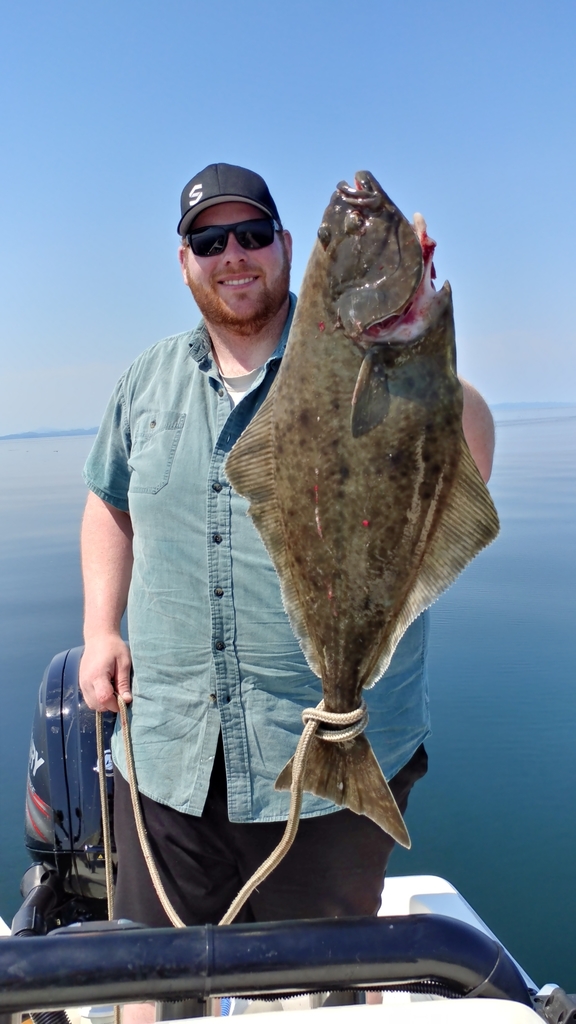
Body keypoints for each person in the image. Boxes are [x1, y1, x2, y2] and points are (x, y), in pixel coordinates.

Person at [79, 163, 495, 1019]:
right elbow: (108, 501)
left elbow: (470, 455)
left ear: (289, 250)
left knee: (323, 989)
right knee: (148, 981)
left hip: (327, 759)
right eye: (209, 240)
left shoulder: (365, 360)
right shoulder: (147, 382)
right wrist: (99, 629)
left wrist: (415, 353)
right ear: (186, 262)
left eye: (251, 235)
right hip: (166, 751)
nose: (232, 255)